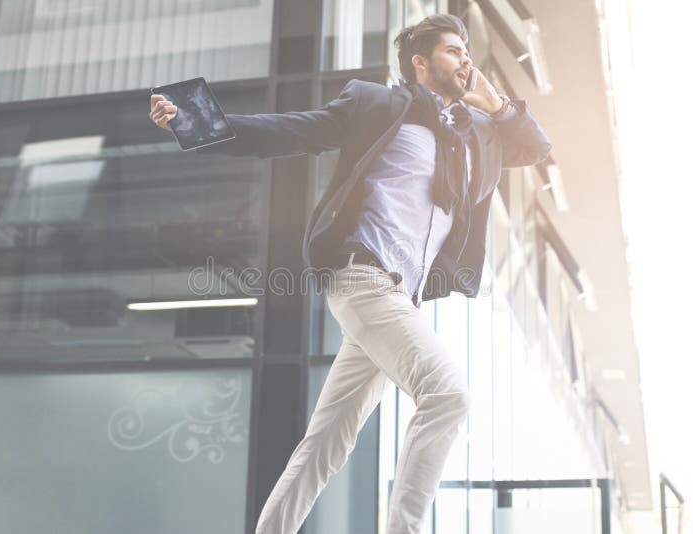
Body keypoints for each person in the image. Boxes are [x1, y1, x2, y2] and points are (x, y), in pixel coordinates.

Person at [150, 13, 550, 534]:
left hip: (401, 298)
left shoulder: (477, 135)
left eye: (466, 50)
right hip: (364, 279)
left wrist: (495, 104)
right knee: (448, 394)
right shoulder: (378, 104)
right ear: (420, 63)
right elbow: (290, 131)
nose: (465, 58)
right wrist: (190, 119)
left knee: (327, 442)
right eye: (453, 50)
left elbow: (537, 149)